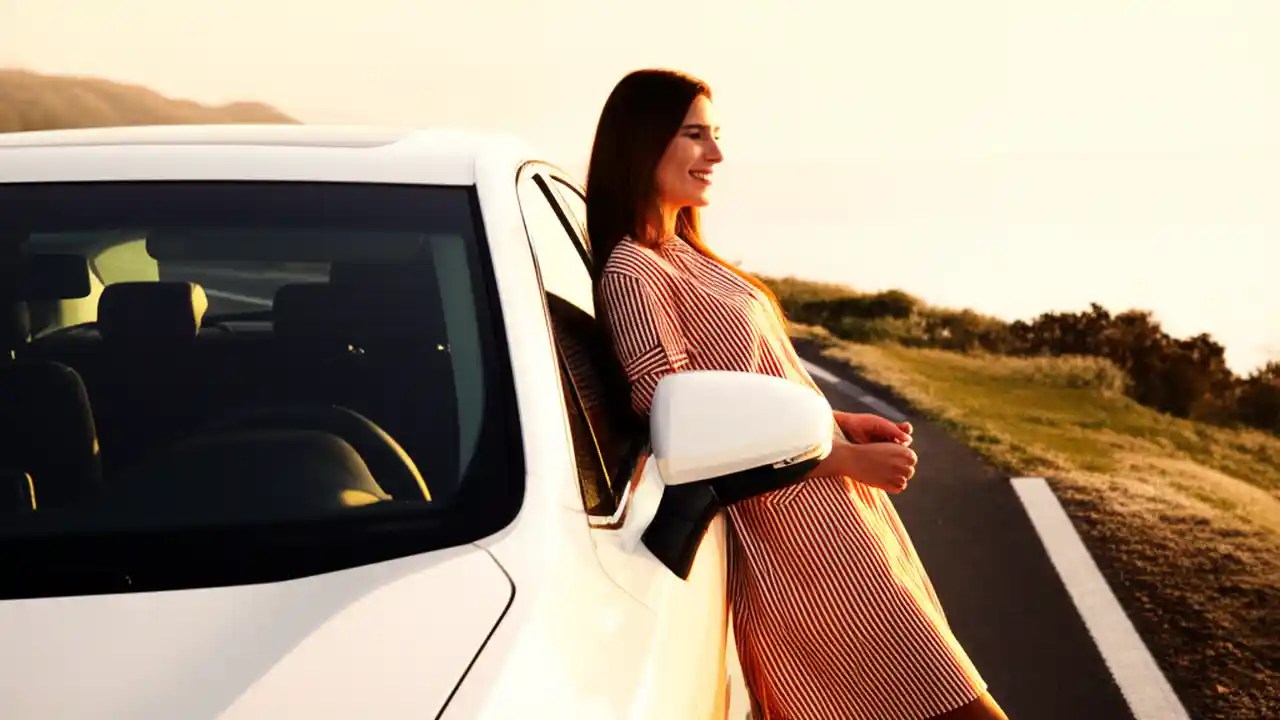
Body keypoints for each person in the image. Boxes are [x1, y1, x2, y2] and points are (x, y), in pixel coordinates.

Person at [585, 68, 1010, 720]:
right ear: (643, 143)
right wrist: (840, 459)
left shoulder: (682, 253)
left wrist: (835, 420)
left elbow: (744, 384)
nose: (717, 155)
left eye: (716, 135)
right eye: (695, 135)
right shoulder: (633, 270)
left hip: (840, 530)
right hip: (802, 549)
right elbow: (673, 419)